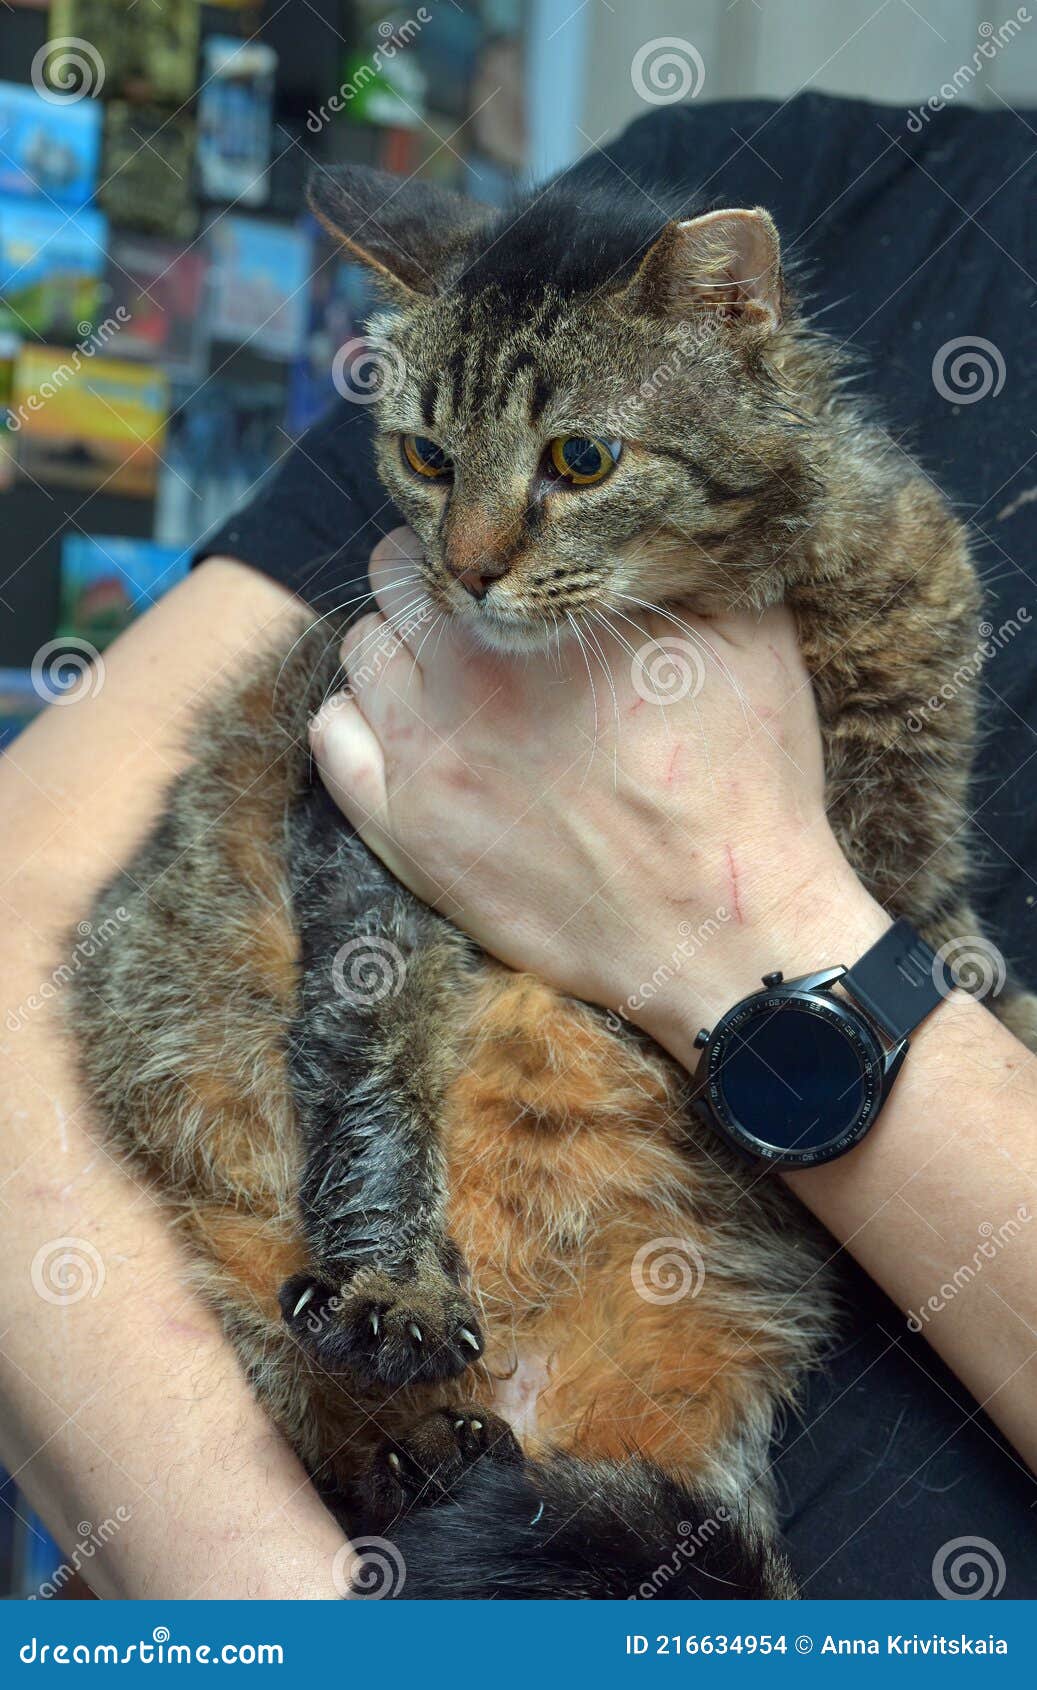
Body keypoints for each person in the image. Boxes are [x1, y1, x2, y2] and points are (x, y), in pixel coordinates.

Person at [2, 93, 1035, 1600]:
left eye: (572, 463)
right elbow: (22, 897)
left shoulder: (885, 575)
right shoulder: (807, 174)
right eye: (428, 467)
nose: (471, 555)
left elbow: (903, 907)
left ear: (741, 334)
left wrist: (752, 926)